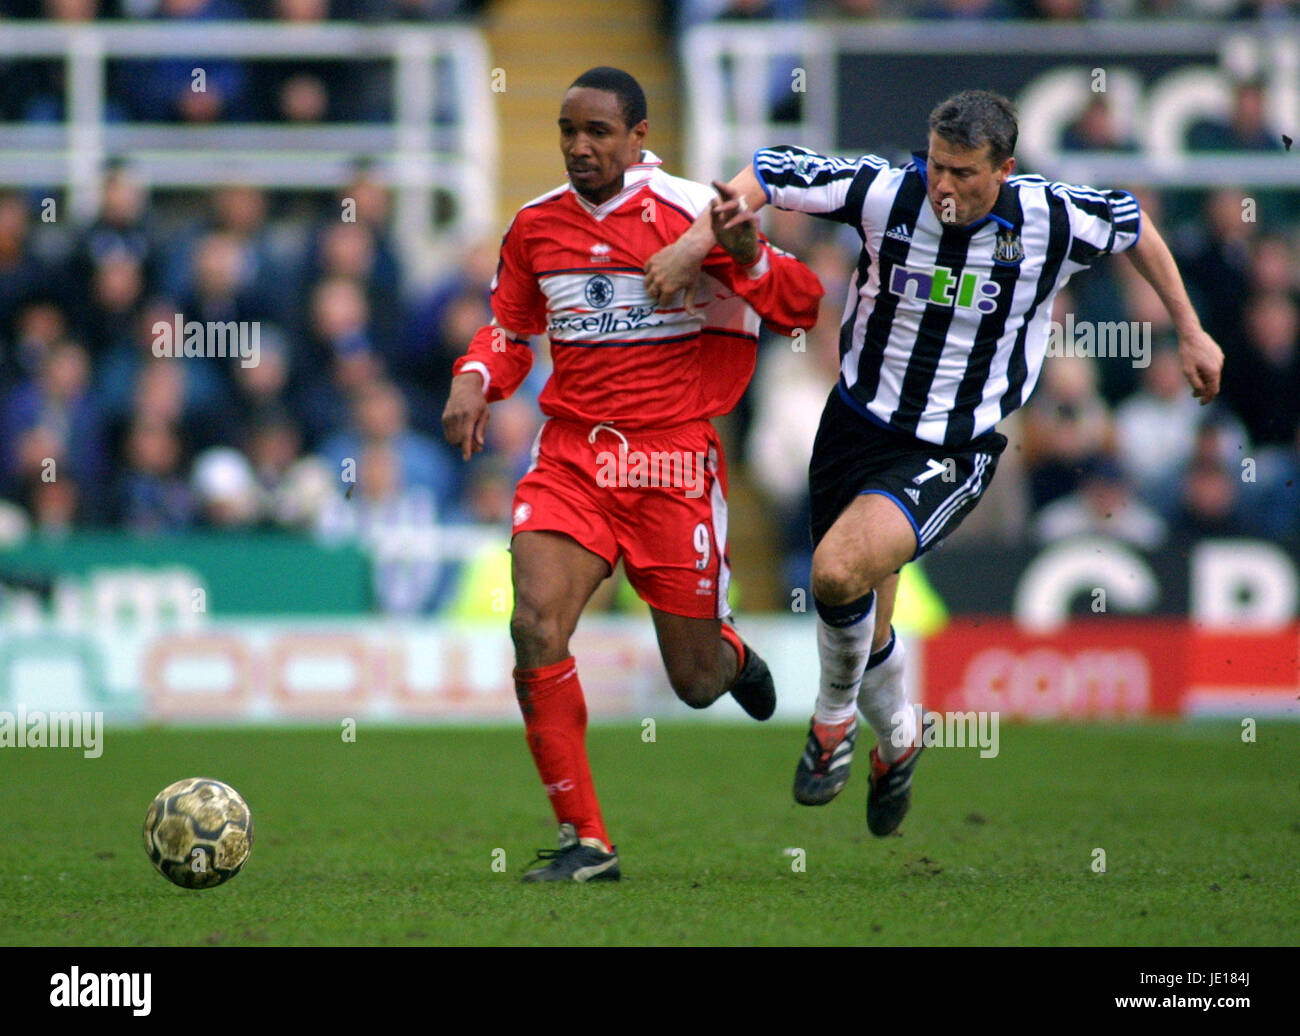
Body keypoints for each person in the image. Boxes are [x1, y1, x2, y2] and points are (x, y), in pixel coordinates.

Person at [646, 88, 1224, 836]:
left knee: (834, 571)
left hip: (954, 445)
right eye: (937, 166)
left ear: (1004, 169)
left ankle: (831, 725)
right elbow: (770, 169)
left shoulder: (1050, 216)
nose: (943, 186)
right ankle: (901, 738)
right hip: (854, 427)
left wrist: (1191, 329)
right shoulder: (890, 191)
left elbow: (1136, 224)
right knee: (867, 618)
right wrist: (698, 242)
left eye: (963, 173)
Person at [441, 67, 823, 882]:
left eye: (599, 133)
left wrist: (747, 251)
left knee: (692, 684)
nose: (581, 147)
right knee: (536, 625)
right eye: (568, 132)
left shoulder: (695, 214)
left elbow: (802, 303)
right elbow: (509, 329)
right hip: (573, 457)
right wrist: (474, 378)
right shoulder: (534, 225)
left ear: (639, 136)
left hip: (670, 463)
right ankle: (588, 842)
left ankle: (727, 654)